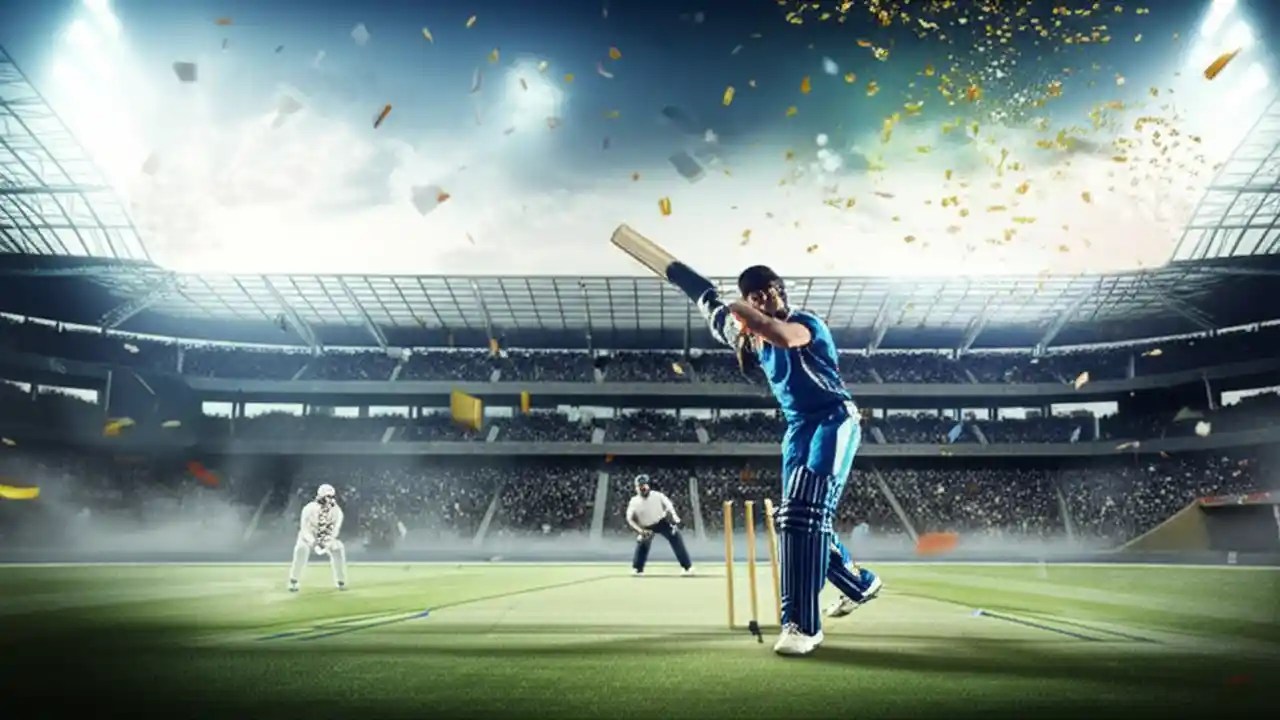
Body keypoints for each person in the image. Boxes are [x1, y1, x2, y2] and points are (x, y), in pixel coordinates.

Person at [696, 265, 881, 655]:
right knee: (799, 519)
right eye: (753, 296)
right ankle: (858, 583)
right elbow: (703, 297)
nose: (761, 300)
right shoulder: (748, 336)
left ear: (779, 291)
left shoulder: (804, 323)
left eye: (766, 293)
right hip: (797, 429)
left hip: (834, 418)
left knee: (801, 513)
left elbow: (778, 335)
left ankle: (802, 626)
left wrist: (737, 309)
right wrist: (704, 296)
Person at [625, 474, 694, 576]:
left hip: (661, 522)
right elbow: (629, 519)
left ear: (648, 486)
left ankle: (687, 568)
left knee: (675, 537)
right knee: (642, 542)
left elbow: (669, 505)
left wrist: (675, 517)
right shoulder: (634, 501)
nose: (642, 488)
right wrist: (640, 531)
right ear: (636, 488)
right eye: (639, 486)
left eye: (644, 486)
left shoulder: (657, 495)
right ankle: (637, 569)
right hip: (646, 526)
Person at [288, 483, 348, 592]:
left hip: (326, 538)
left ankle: (341, 581)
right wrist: (313, 542)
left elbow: (335, 530)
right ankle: (294, 580)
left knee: (338, 548)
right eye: (327, 496)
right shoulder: (308, 508)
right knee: (301, 549)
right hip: (308, 537)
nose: (330, 499)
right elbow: (304, 528)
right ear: (320, 496)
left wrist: (326, 543)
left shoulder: (337, 511)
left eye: (331, 496)